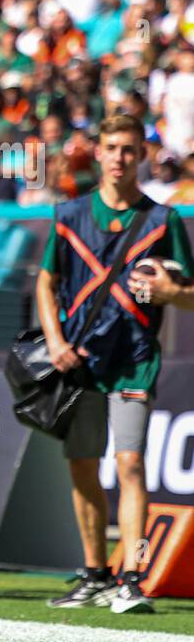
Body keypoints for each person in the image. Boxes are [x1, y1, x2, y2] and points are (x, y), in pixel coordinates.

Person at [39, 114, 194, 614]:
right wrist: (54, 339)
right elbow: (46, 281)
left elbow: (189, 293)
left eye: (129, 149)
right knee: (82, 465)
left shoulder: (162, 220)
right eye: (111, 147)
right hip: (78, 358)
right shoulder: (68, 215)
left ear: (142, 155)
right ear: (98, 153)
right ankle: (94, 573)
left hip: (134, 359)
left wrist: (173, 292)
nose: (120, 157)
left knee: (128, 463)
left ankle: (132, 577)